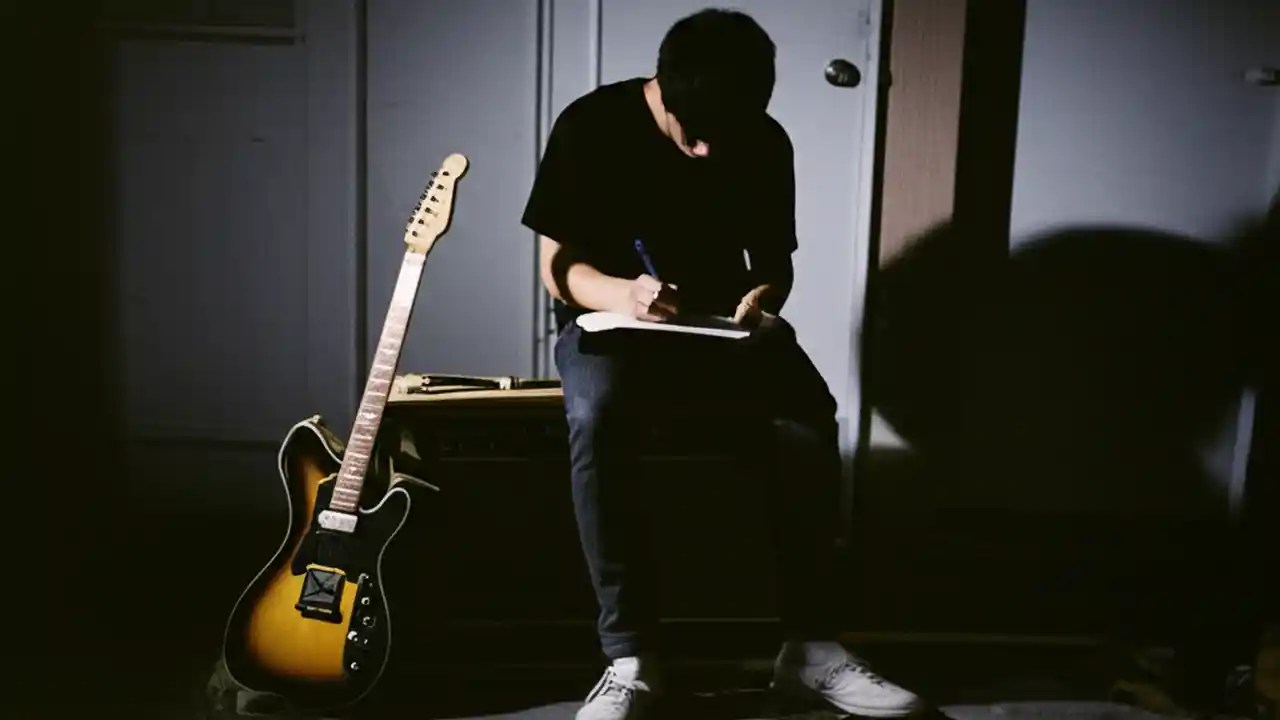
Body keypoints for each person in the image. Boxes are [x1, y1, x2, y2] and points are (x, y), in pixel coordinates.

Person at [520, 8, 924, 719]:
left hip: (719, 327)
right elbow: (557, 267)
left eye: (724, 135)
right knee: (596, 411)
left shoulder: (763, 140)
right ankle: (631, 657)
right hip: (609, 319)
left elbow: (774, 267)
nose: (708, 151)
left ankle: (810, 649)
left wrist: (763, 300)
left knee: (808, 414)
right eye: (693, 134)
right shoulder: (590, 126)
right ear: (661, 89)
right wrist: (624, 293)